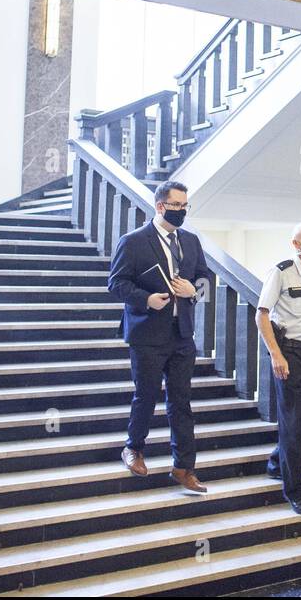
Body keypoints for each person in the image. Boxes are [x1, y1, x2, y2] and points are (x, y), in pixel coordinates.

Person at [108, 181, 213, 494]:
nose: (181, 211)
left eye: (184, 206)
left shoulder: (191, 241)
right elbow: (116, 283)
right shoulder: (134, 241)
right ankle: (133, 448)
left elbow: (205, 278)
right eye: (176, 205)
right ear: (160, 206)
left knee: (181, 403)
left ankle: (184, 467)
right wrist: (146, 299)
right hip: (147, 333)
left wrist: (195, 290)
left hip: (182, 335)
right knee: (147, 395)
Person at [256, 222, 301, 516]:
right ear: (296, 244)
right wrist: (276, 354)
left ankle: (277, 462)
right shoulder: (281, 271)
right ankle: (295, 490)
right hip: (289, 353)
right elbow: (262, 316)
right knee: (291, 421)